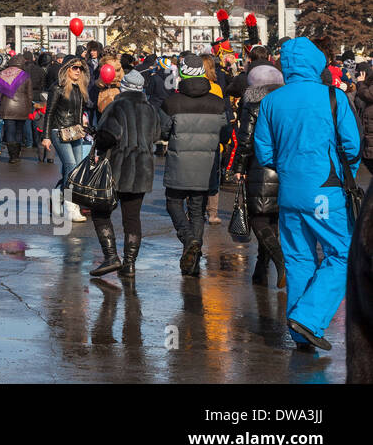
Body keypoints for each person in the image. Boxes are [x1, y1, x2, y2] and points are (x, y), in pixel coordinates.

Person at [254, 37, 361, 351]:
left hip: (290, 192)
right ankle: (309, 319)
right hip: (325, 190)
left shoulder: (271, 101)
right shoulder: (333, 97)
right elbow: (352, 147)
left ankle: (301, 333)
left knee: (299, 259)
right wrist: (345, 177)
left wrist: (289, 168)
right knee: (342, 254)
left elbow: (264, 153)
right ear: (317, 62)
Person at [88, 69, 162, 279]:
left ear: (125, 87)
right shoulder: (150, 109)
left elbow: (108, 135)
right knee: (132, 218)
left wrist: (98, 141)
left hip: (117, 167)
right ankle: (129, 264)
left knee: (100, 212)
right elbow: (157, 135)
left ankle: (111, 256)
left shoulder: (117, 106)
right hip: (143, 168)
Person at [161, 57, 228, 278]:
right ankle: (193, 254)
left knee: (173, 203)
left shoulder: (172, 102)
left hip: (179, 164)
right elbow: (226, 135)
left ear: (183, 74)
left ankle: (189, 240)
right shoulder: (218, 103)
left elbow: (162, 132)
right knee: (198, 211)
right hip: (207, 165)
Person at [230, 64, 286, 289]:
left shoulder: (253, 103)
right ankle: (260, 270)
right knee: (272, 218)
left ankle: (280, 261)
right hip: (284, 166)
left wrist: (238, 168)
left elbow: (245, 139)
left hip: (260, 166)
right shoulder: (285, 101)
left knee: (258, 218)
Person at [43, 57, 90, 222]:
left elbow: (82, 111)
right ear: (66, 69)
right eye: (74, 67)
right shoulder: (57, 88)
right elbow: (49, 112)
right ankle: (71, 208)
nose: (78, 71)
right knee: (70, 165)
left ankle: (58, 195)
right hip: (59, 131)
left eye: (80, 68)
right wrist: (46, 136)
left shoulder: (80, 89)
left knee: (77, 169)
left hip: (75, 132)